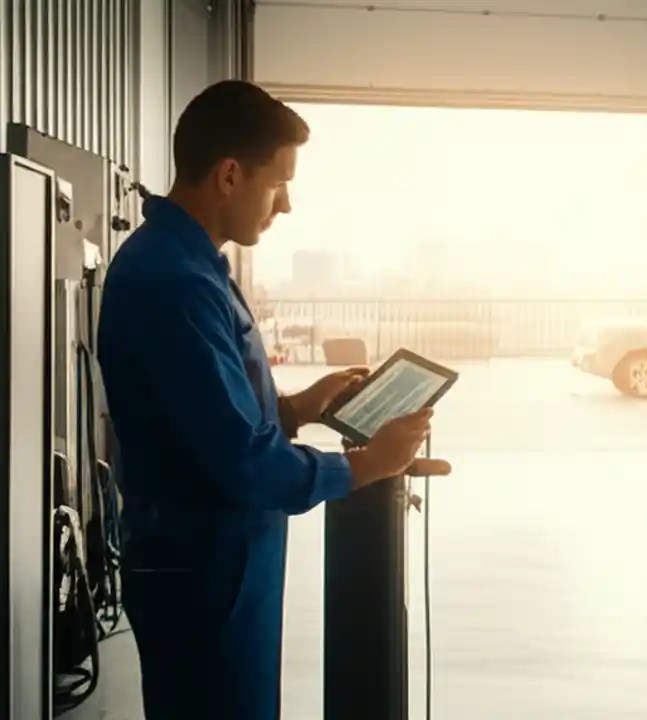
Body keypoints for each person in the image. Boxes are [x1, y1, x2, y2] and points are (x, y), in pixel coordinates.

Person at [96, 80, 450, 719]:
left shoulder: (191, 265)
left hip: (220, 568)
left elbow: (205, 418)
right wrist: (369, 464)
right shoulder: (174, 284)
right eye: (278, 183)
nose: (284, 204)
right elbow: (243, 464)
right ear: (230, 175)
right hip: (204, 577)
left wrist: (297, 409)